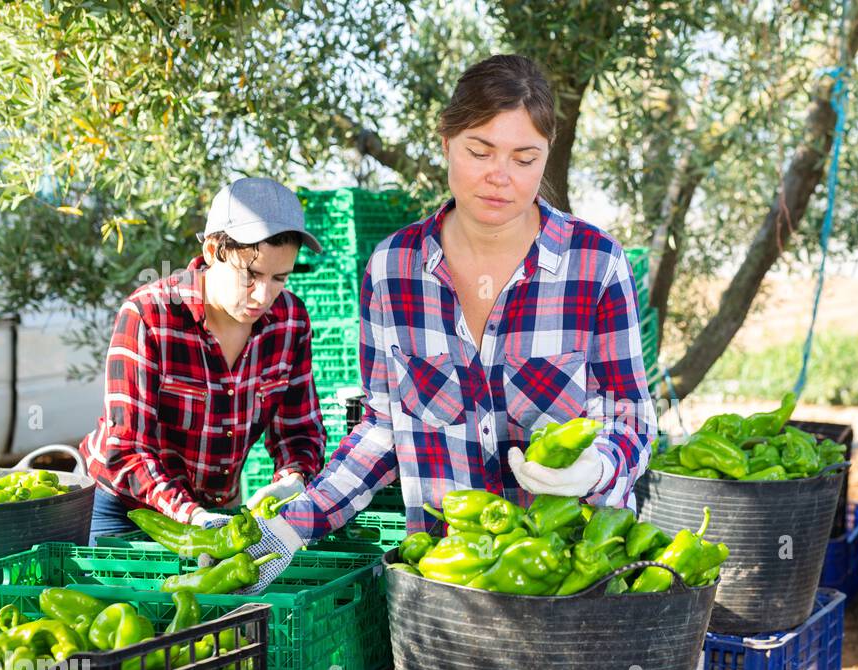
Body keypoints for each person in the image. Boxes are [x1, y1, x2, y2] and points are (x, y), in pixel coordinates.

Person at [239, 54, 657, 586]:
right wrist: (296, 526)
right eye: (479, 151)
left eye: (525, 159)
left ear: (547, 156)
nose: (499, 176)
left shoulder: (595, 265)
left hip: (576, 575)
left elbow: (631, 415)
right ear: (446, 142)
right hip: (449, 585)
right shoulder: (393, 270)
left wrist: (595, 468)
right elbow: (382, 426)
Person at [80, 178, 329, 545]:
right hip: (124, 509)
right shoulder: (149, 315)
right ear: (213, 250)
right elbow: (127, 448)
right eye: (251, 275)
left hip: (216, 509)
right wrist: (192, 518)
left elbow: (299, 431)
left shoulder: (290, 321)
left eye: (280, 278)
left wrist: (292, 479)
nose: (263, 295)